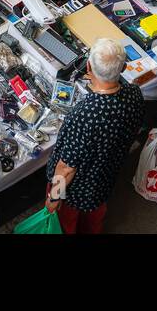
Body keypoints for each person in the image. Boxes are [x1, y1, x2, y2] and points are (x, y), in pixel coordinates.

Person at [44, 38, 144, 234]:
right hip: (106, 176)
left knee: (67, 225)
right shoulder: (134, 94)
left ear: (88, 67)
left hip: (76, 190)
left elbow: (65, 168)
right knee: (94, 220)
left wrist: (54, 198)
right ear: (123, 67)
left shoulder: (86, 114)